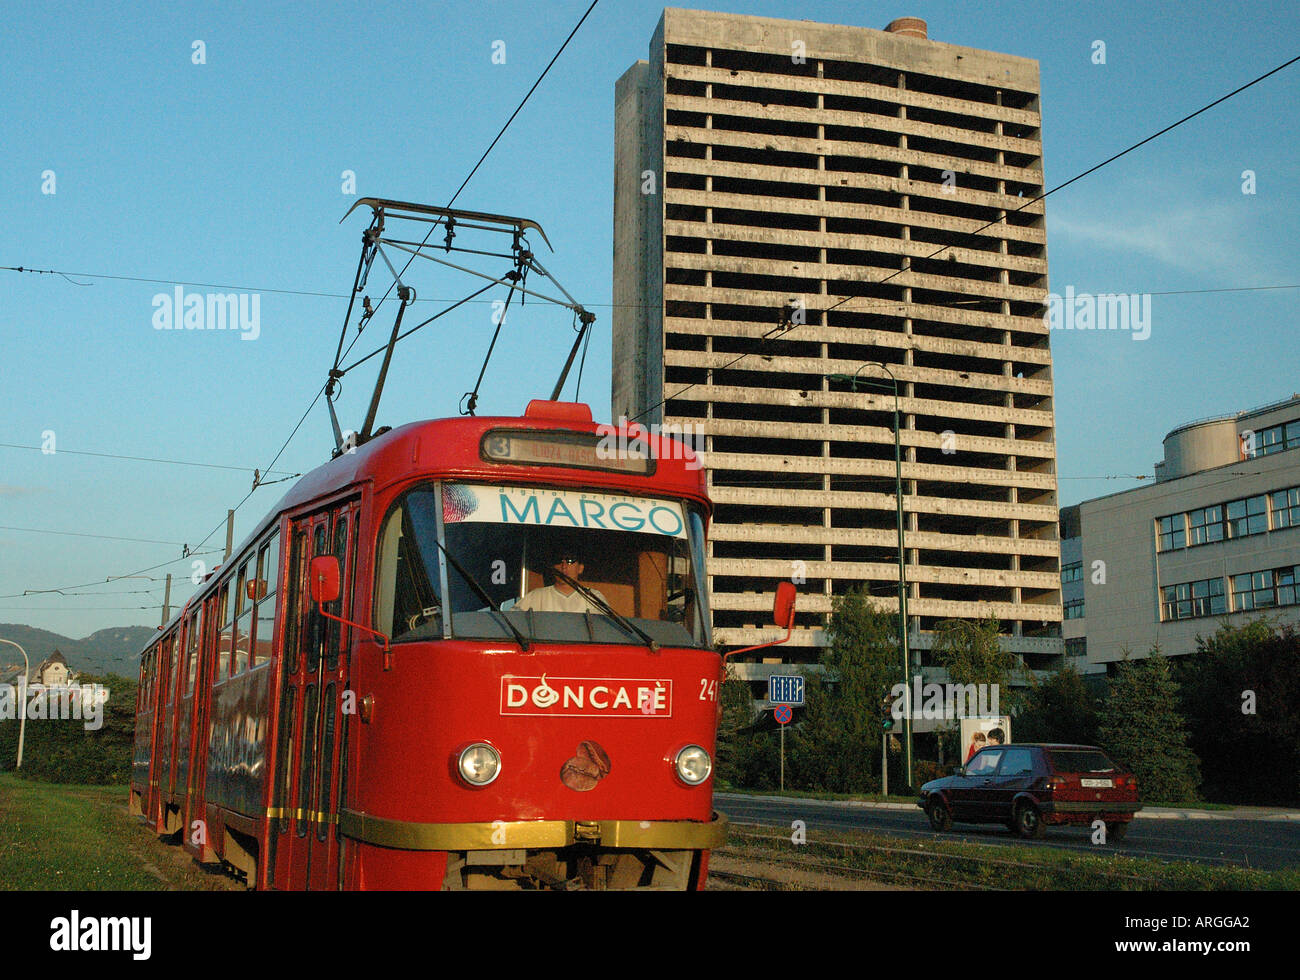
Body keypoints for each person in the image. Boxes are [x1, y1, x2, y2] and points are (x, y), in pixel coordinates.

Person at [516, 551, 609, 614]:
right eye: (559, 561)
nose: (564, 566)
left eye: (570, 561)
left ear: (580, 568)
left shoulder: (593, 596)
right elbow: (514, 619)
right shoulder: (537, 596)